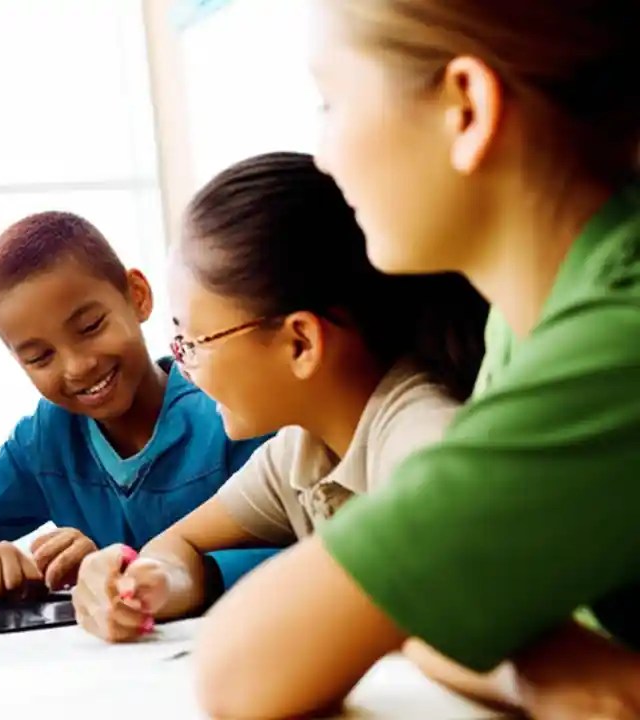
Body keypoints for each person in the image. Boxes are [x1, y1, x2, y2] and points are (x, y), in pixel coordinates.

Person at [190, 1, 640, 718]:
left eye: (332, 101)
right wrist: (542, 668)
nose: (324, 157)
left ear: (466, 108)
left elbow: (243, 667)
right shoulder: (522, 326)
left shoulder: (615, 340)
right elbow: (425, 624)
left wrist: (457, 631)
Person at [72, 151, 487, 642]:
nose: (181, 365)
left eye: (192, 342)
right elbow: (177, 542)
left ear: (300, 343)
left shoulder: (423, 446)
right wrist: (155, 582)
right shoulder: (299, 450)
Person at [0, 211, 273, 604]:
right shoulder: (46, 439)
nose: (76, 367)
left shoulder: (232, 414)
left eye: (90, 328)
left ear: (137, 296)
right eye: (40, 357)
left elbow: (315, 551)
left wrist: (138, 574)